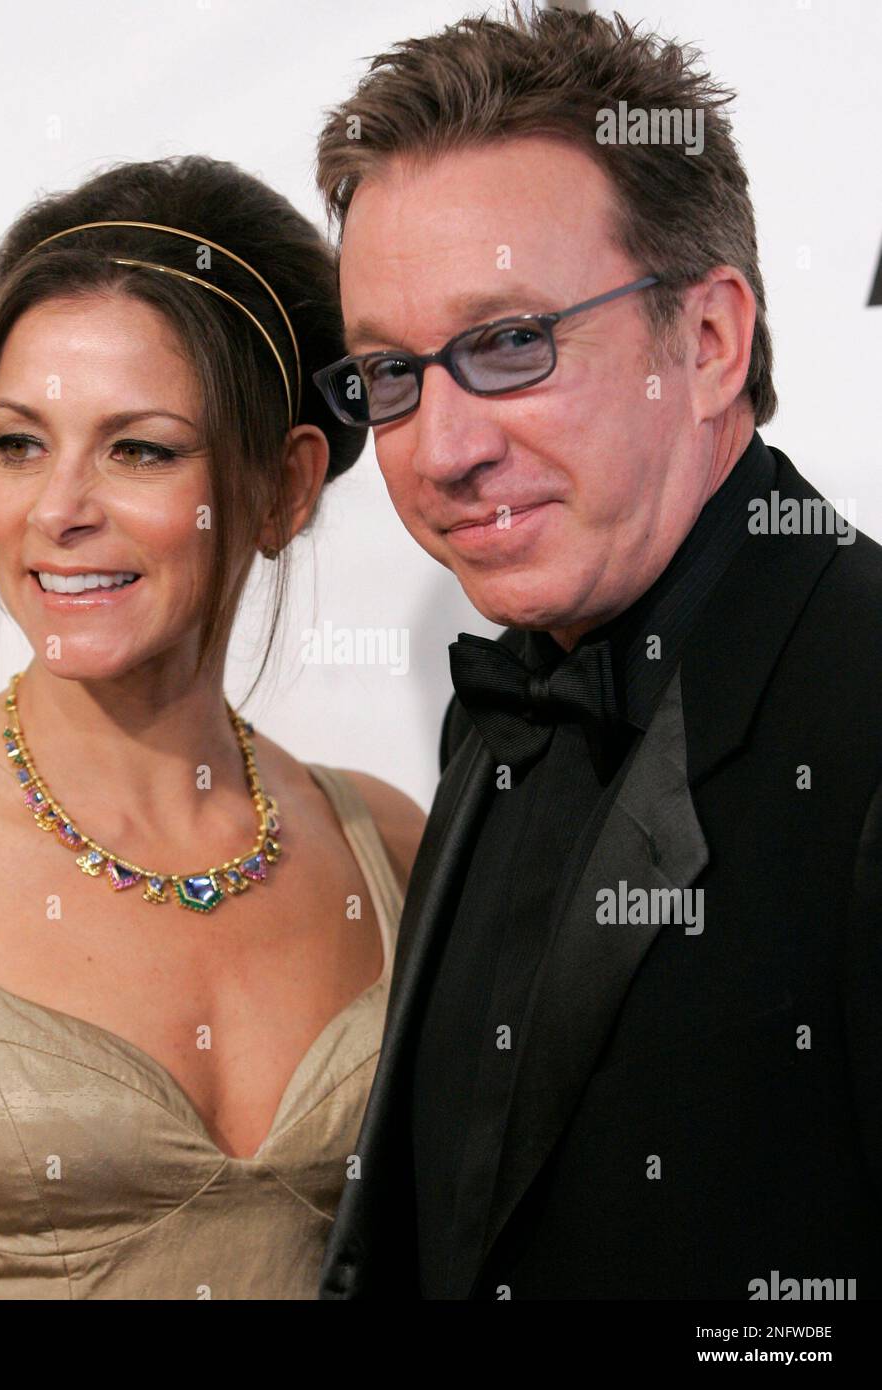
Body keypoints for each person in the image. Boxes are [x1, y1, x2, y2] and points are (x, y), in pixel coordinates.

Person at [311, 5, 882, 1299]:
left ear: (705, 340)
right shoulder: (505, 697)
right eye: (389, 373)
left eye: (510, 342)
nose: (442, 447)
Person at [0, 154, 425, 1300]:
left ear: (284, 488)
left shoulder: (389, 849)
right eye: (17, 443)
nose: (58, 509)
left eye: (139, 448)